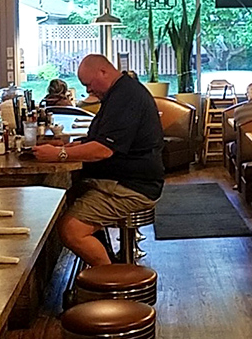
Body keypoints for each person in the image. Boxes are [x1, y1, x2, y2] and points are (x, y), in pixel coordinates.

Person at [32, 54, 164, 267]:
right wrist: (69, 146)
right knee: (62, 198)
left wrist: (59, 155)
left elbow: (104, 150)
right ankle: (106, 258)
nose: (88, 91)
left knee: (71, 229)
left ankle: (110, 285)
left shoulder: (126, 96)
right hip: (121, 179)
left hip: (133, 186)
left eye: (89, 85)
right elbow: (102, 139)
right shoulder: (119, 92)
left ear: (103, 72)